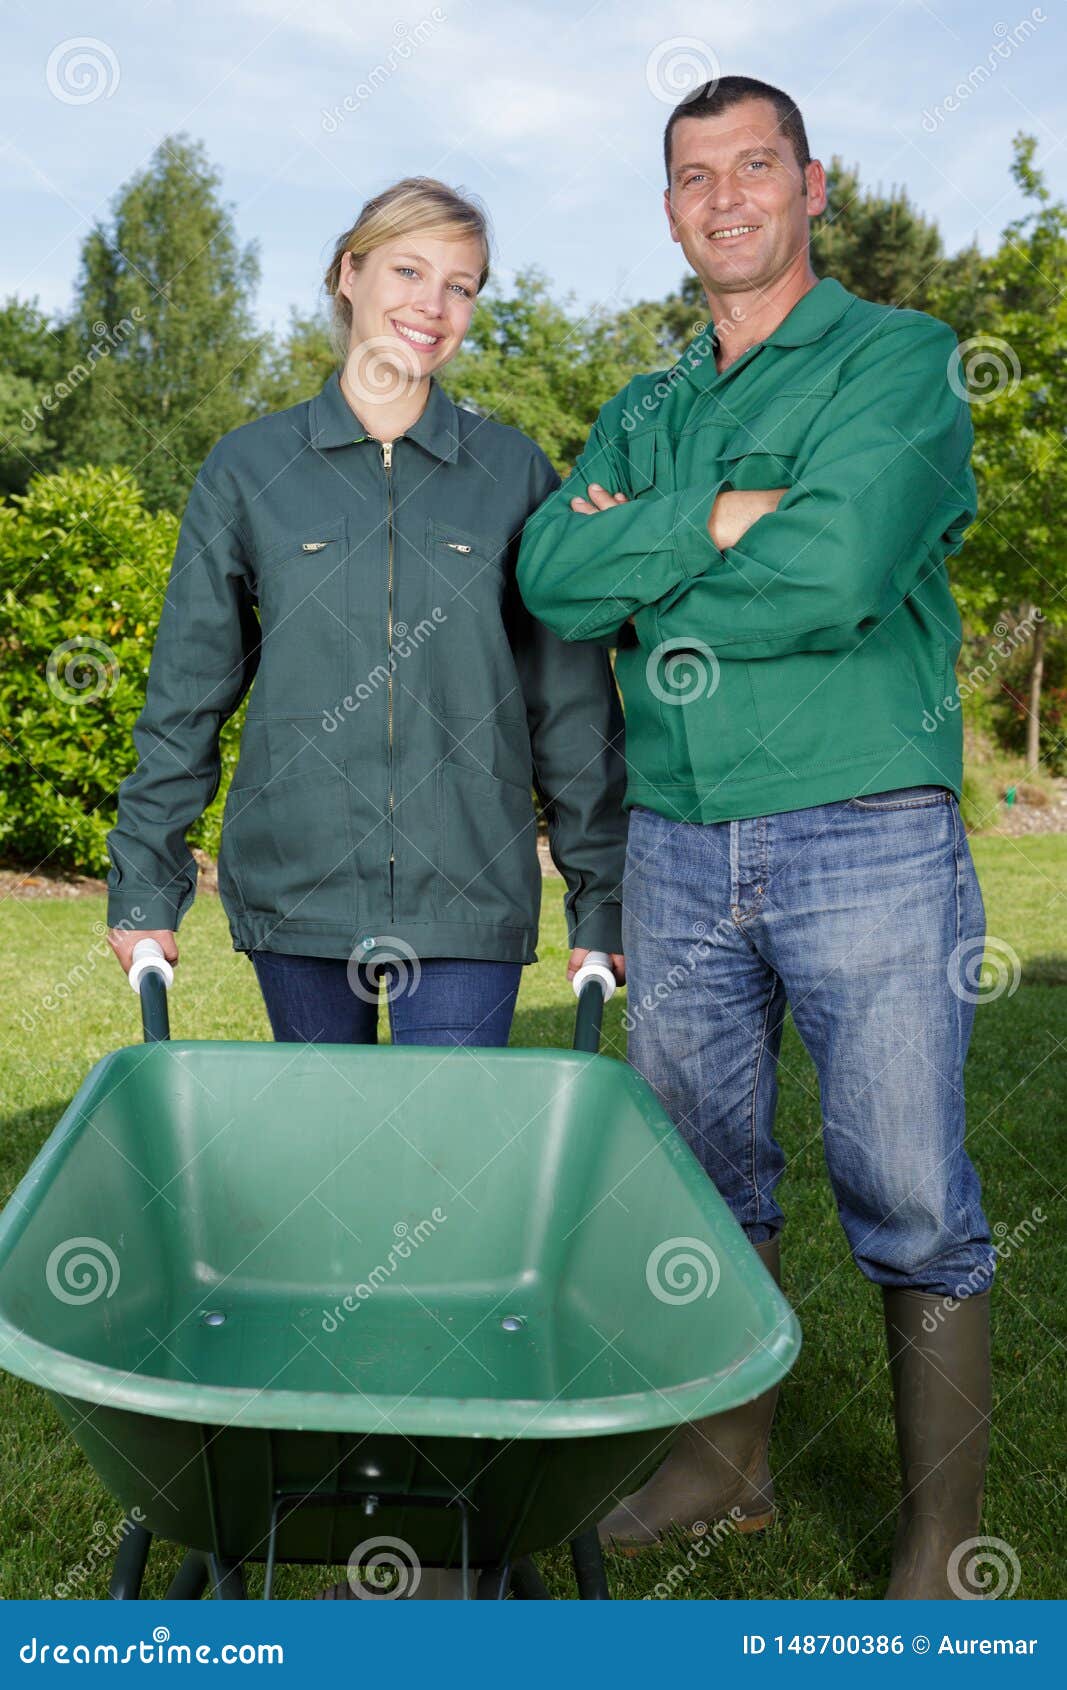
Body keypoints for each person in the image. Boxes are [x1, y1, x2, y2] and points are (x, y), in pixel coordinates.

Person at [517, 77, 993, 1600]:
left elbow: (838, 571)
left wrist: (651, 545)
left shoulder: (897, 357)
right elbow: (551, 573)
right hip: (675, 838)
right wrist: (727, 513)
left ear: (810, 184)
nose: (723, 197)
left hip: (865, 826)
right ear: (668, 209)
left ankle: (936, 1540)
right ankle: (723, 1464)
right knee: (698, 1172)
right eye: (692, 175)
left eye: (753, 165)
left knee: (906, 1189)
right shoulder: (649, 403)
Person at [106, 176, 627, 1057]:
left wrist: (602, 896)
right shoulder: (247, 468)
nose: (433, 306)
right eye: (408, 271)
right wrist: (144, 884)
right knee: (324, 1139)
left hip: (468, 894)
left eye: (460, 286)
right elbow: (187, 692)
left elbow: (570, 706)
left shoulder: (513, 472)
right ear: (349, 274)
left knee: (445, 1137)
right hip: (297, 885)